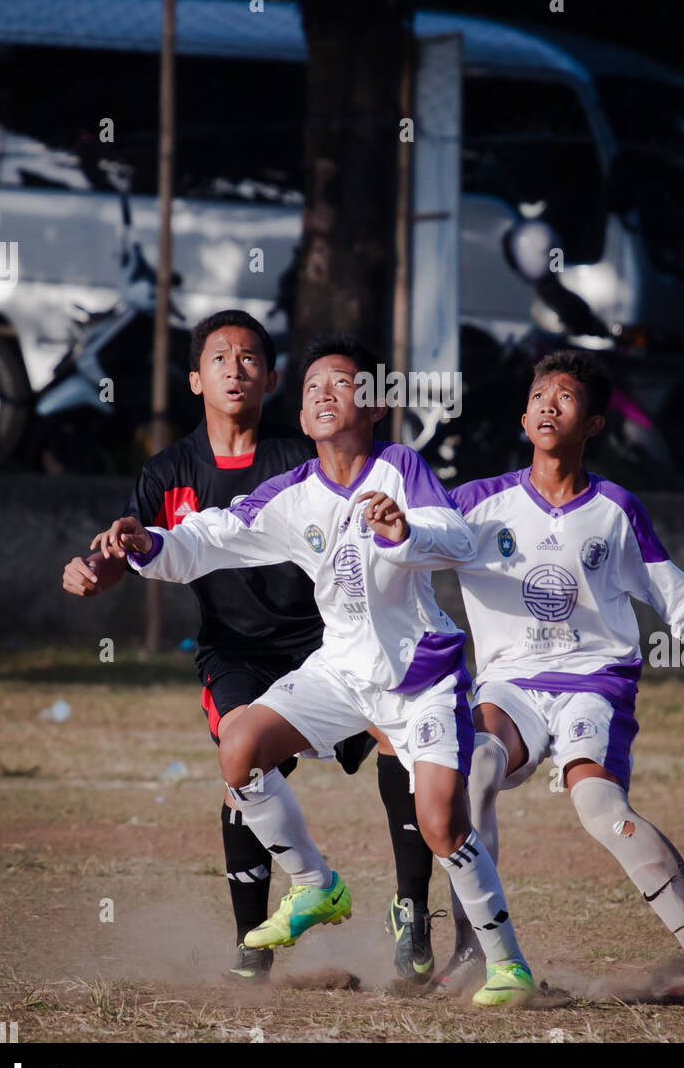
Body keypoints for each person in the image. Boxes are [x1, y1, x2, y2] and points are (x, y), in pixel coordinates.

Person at [92, 333, 535, 1007]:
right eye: (312, 388)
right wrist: (149, 542)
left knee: (443, 826)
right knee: (239, 747)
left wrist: (405, 531)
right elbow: (211, 537)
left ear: (376, 404)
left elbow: (457, 536)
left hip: (422, 680)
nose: (326, 395)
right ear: (299, 417)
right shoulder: (293, 493)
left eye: (343, 384)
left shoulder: (400, 468)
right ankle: (313, 884)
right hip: (341, 672)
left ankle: (508, 965)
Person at [62, 311, 428, 983]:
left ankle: (413, 915)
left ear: (273, 377)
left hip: (328, 640)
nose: (236, 369)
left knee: (397, 736)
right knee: (242, 763)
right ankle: (253, 944)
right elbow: (137, 551)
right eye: (221, 358)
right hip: (235, 652)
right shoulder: (168, 472)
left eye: (252, 357)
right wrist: (96, 569)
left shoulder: (302, 459)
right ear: (196, 378)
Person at [436, 347, 684, 1004]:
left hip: (594, 684)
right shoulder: (474, 505)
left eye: (564, 398)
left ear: (593, 424)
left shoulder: (617, 510)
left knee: (600, 807)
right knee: (473, 764)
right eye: (539, 397)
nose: (548, 407)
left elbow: (679, 604)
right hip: (509, 686)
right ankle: (476, 946)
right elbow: (405, 552)